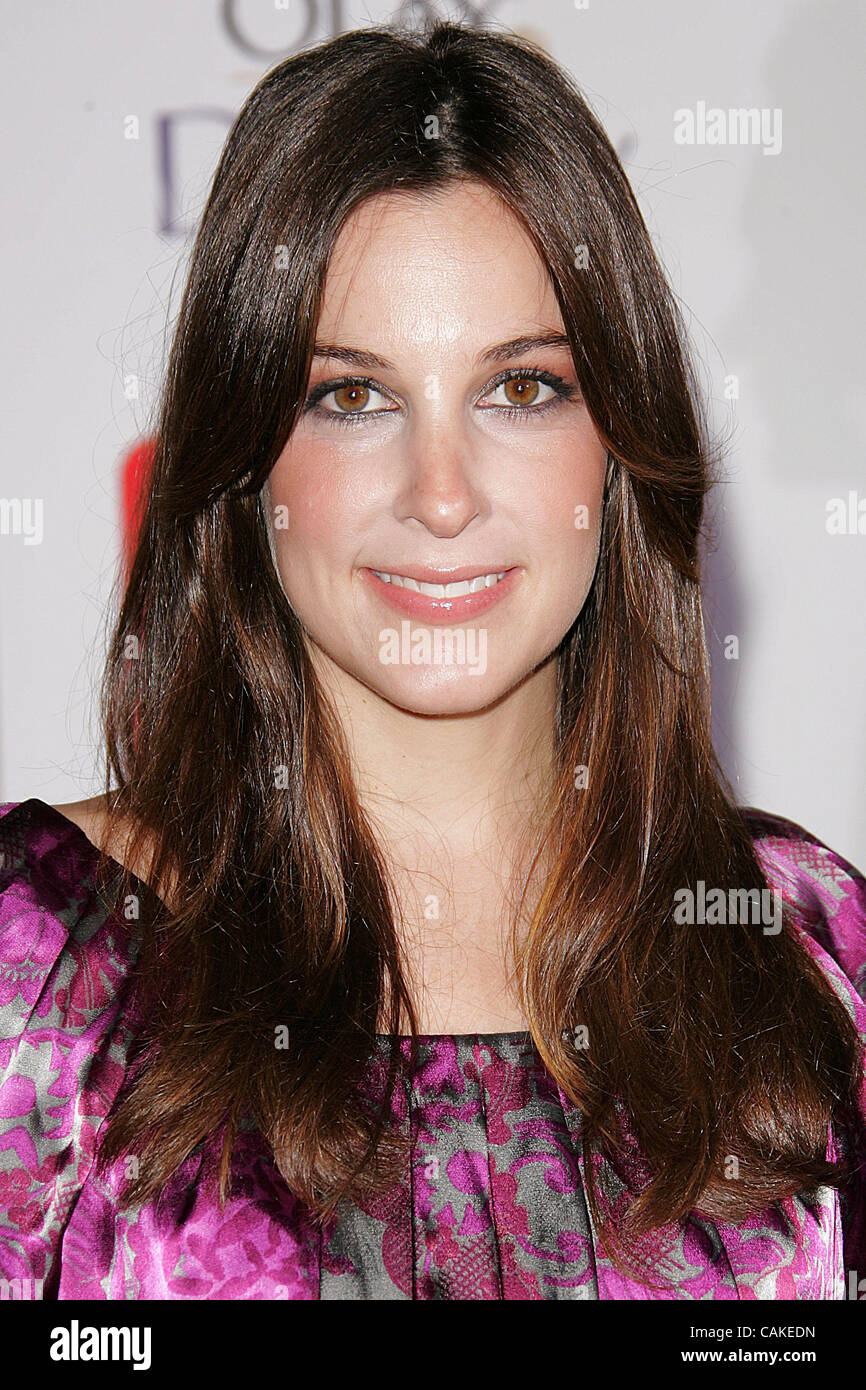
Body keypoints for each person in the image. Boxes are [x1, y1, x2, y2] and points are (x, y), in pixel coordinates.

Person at [1, 17, 864, 1302]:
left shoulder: (810, 953)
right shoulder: (41, 968)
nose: (441, 495)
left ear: (618, 444)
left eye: (520, 388)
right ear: (244, 466)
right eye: (351, 397)